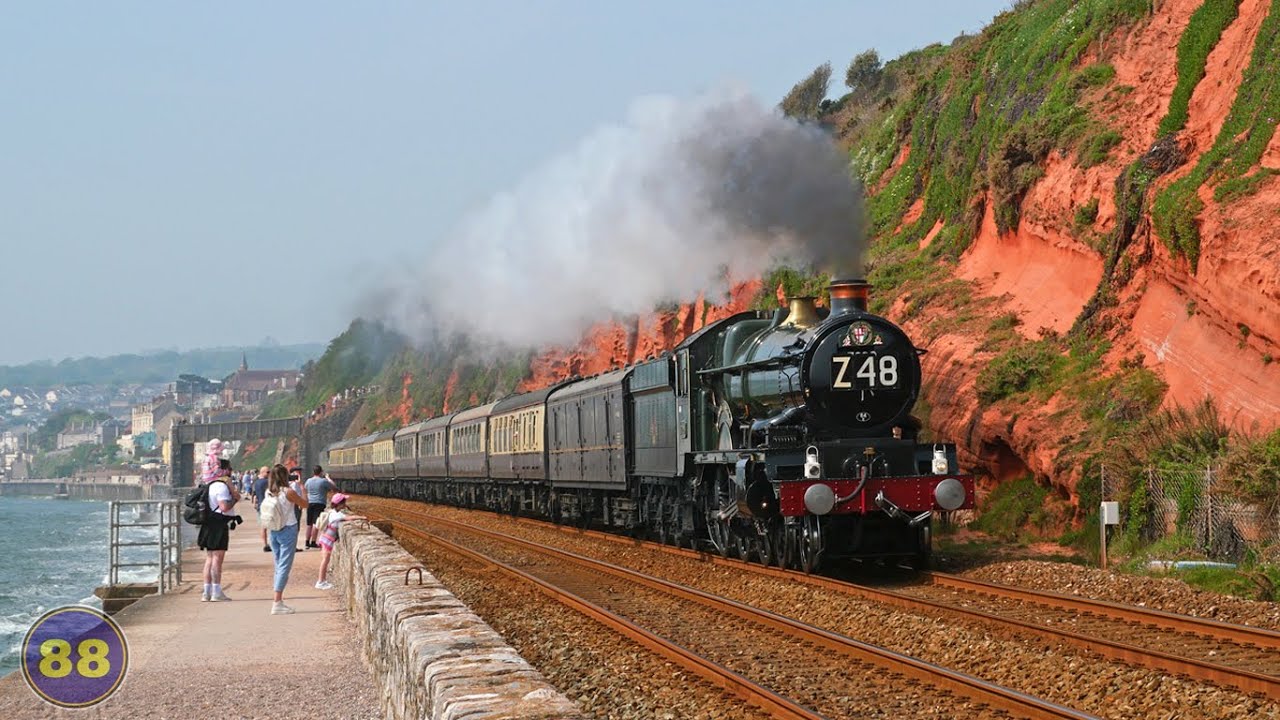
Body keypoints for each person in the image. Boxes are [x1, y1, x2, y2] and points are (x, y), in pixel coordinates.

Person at [264, 464, 308, 615]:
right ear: (285, 477)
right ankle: (277, 602)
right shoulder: (289, 492)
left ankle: (277, 599)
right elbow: (305, 504)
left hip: (274, 530)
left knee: (278, 564)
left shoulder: (269, 492)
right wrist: (302, 488)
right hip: (288, 529)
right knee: (284, 566)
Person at [199, 458, 241, 602]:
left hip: (209, 523)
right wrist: (235, 499)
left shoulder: (210, 485)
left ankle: (206, 592)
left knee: (210, 558)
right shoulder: (221, 487)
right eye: (229, 469)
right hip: (218, 523)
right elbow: (224, 507)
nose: (231, 472)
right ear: (224, 470)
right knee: (217, 558)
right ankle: (216, 591)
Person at [315, 493, 364, 590]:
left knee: (325, 560)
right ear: (340, 504)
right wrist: (361, 517)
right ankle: (320, 581)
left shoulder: (332, 512)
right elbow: (349, 518)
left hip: (325, 538)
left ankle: (322, 580)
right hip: (328, 540)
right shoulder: (337, 515)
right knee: (325, 561)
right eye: (344, 502)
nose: (345, 504)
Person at [303, 466, 335, 549]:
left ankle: (307, 542)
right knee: (315, 523)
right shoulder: (323, 481)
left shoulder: (308, 481)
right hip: (319, 503)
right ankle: (313, 542)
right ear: (321, 472)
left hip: (310, 503)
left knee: (309, 523)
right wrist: (328, 478)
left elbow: (305, 489)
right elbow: (333, 487)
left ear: (313, 472)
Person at [253, 466, 270, 552]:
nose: (269, 474)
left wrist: (255, 504)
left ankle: (265, 544)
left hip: (260, 505)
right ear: (262, 472)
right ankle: (268, 544)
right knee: (271, 525)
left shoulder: (256, 483)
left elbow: (255, 495)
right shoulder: (266, 482)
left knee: (263, 527)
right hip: (267, 506)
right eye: (268, 472)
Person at [289, 469, 306, 551]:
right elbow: (296, 495)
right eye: (297, 473)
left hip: (296, 505)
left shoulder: (293, 483)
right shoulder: (295, 484)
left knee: (296, 527)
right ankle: (293, 546)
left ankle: (293, 546)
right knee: (295, 526)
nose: (299, 474)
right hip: (296, 506)